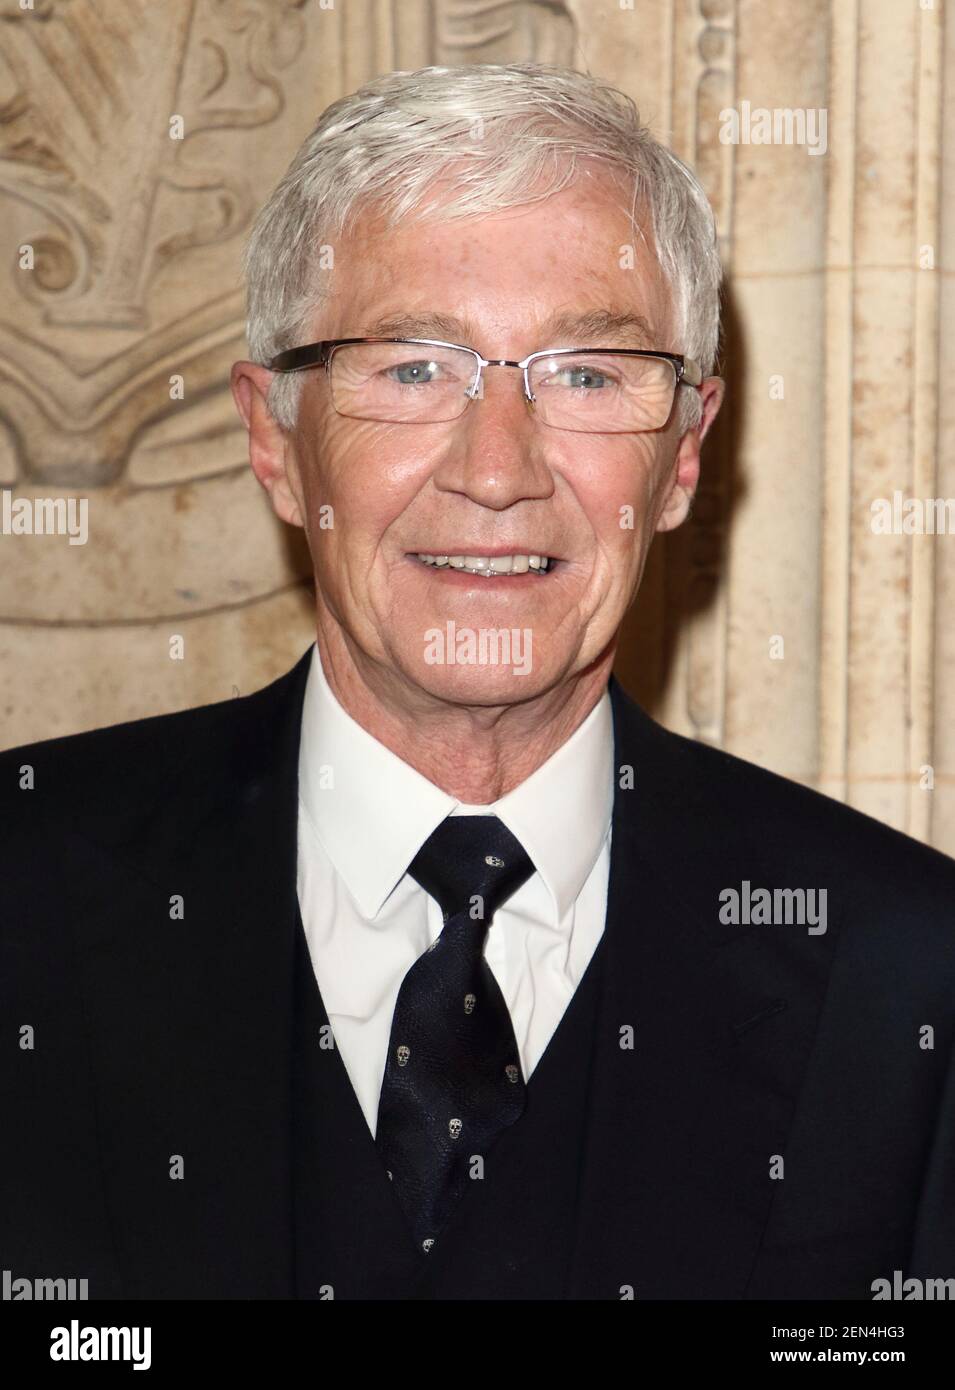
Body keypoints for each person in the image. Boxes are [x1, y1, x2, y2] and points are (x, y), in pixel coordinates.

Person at [3, 62, 954, 1302]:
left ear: (680, 461)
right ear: (272, 440)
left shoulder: (905, 977)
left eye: (586, 376)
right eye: (412, 369)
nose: (496, 470)